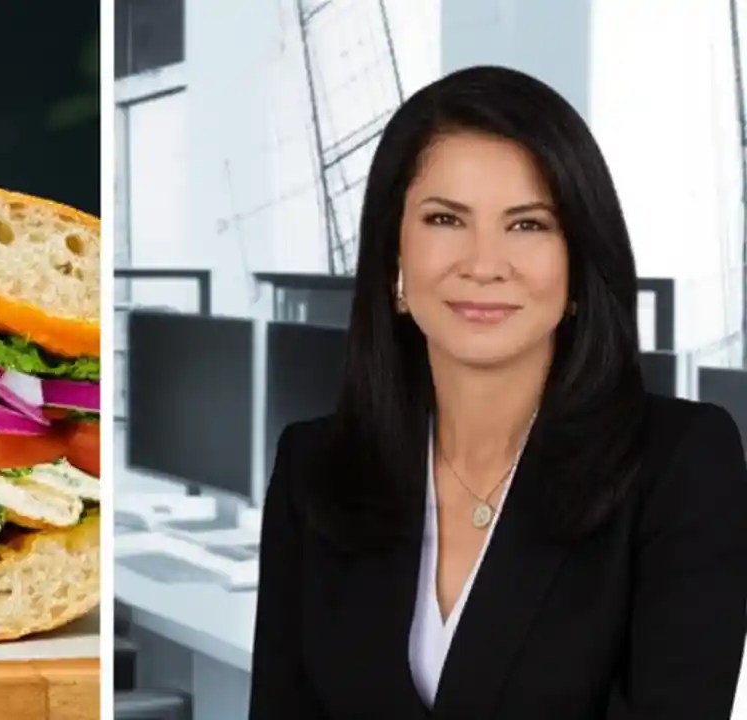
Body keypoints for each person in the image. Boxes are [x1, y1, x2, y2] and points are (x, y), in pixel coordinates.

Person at [248, 64, 747, 718]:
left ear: (577, 261)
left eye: (527, 225)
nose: (483, 264)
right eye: (445, 218)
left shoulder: (682, 465)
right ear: (394, 256)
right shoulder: (314, 470)